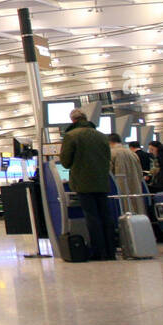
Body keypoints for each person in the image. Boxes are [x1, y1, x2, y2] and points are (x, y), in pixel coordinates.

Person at [59, 109, 115, 261]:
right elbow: (107, 157)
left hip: (83, 182)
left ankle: (99, 251)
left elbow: (65, 161)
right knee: (106, 215)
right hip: (102, 181)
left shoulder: (71, 136)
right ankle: (111, 252)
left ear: (73, 120)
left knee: (92, 217)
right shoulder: (102, 136)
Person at [108, 133, 148, 216]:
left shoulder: (111, 153)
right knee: (137, 212)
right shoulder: (133, 154)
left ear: (109, 142)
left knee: (125, 212)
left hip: (120, 191)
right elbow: (140, 174)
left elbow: (109, 175)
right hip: (136, 189)